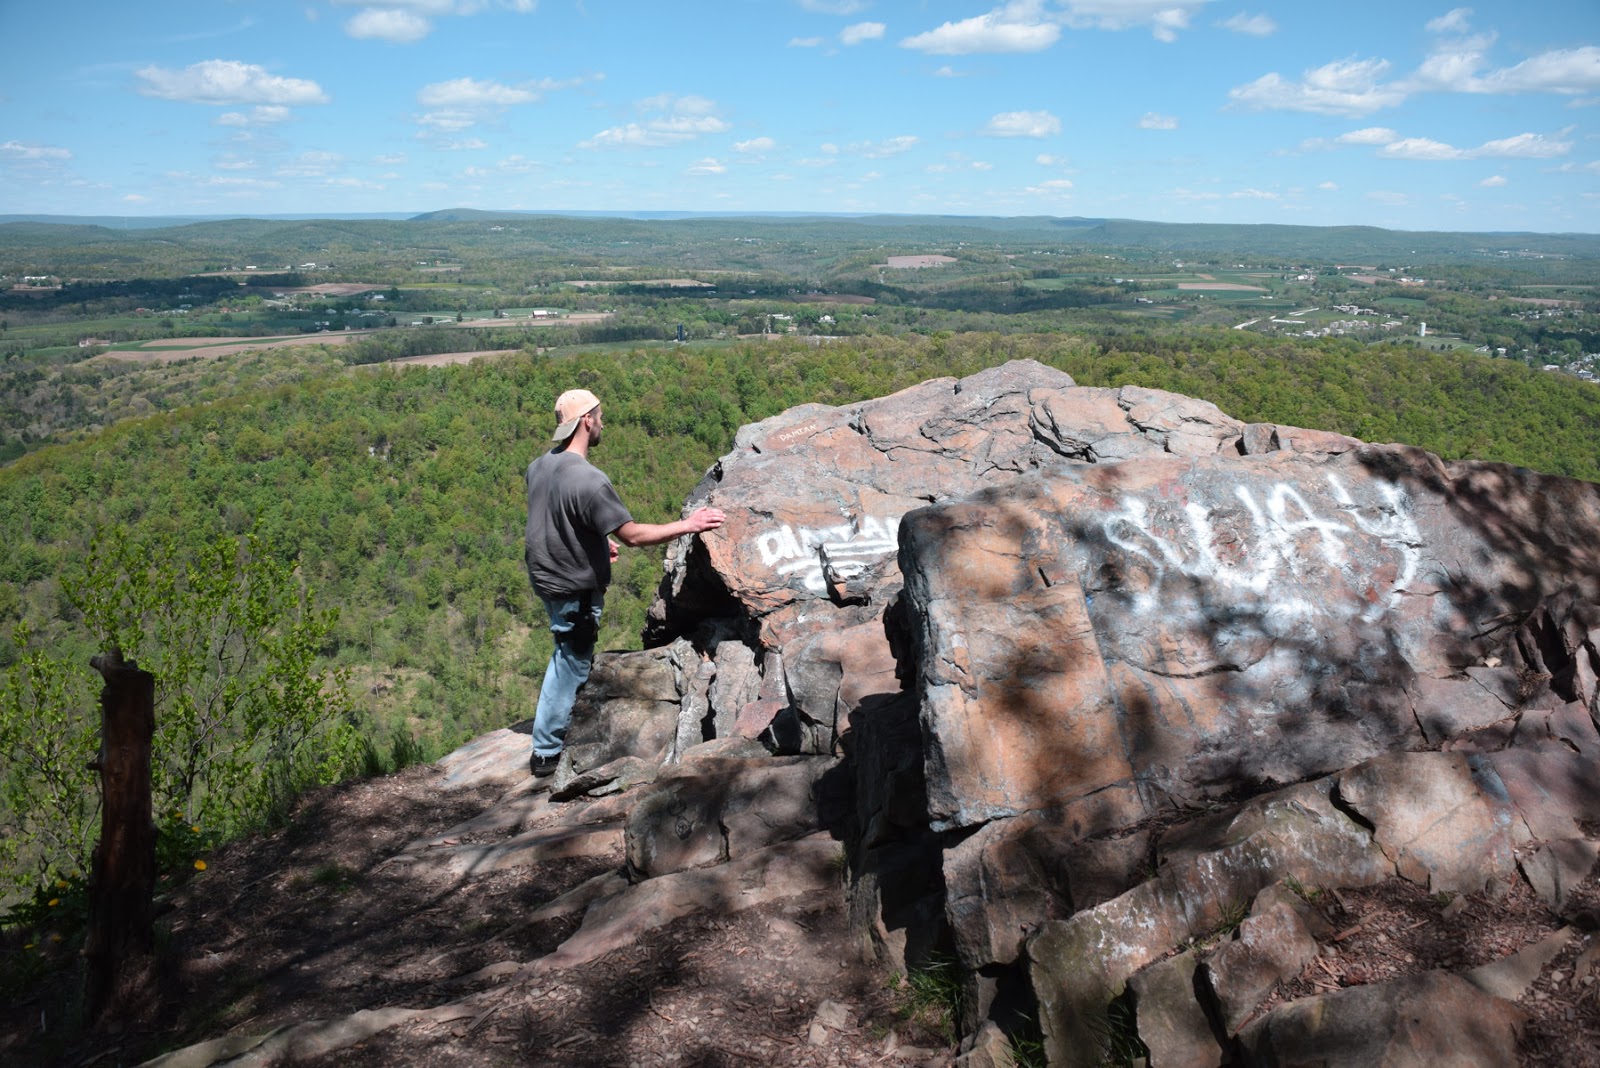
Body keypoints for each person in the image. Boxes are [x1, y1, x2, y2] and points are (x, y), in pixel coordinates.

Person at [523, 388, 725, 778]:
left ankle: (556, 733)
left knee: (568, 651)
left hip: (546, 575)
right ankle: (546, 751)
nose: (602, 423)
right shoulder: (590, 480)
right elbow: (633, 535)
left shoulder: (540, 465)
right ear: (586, 421)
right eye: (599, 417)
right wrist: (689, 524)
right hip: (572, 587)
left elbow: (552, 518)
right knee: (571, 659)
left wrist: (598, 544)